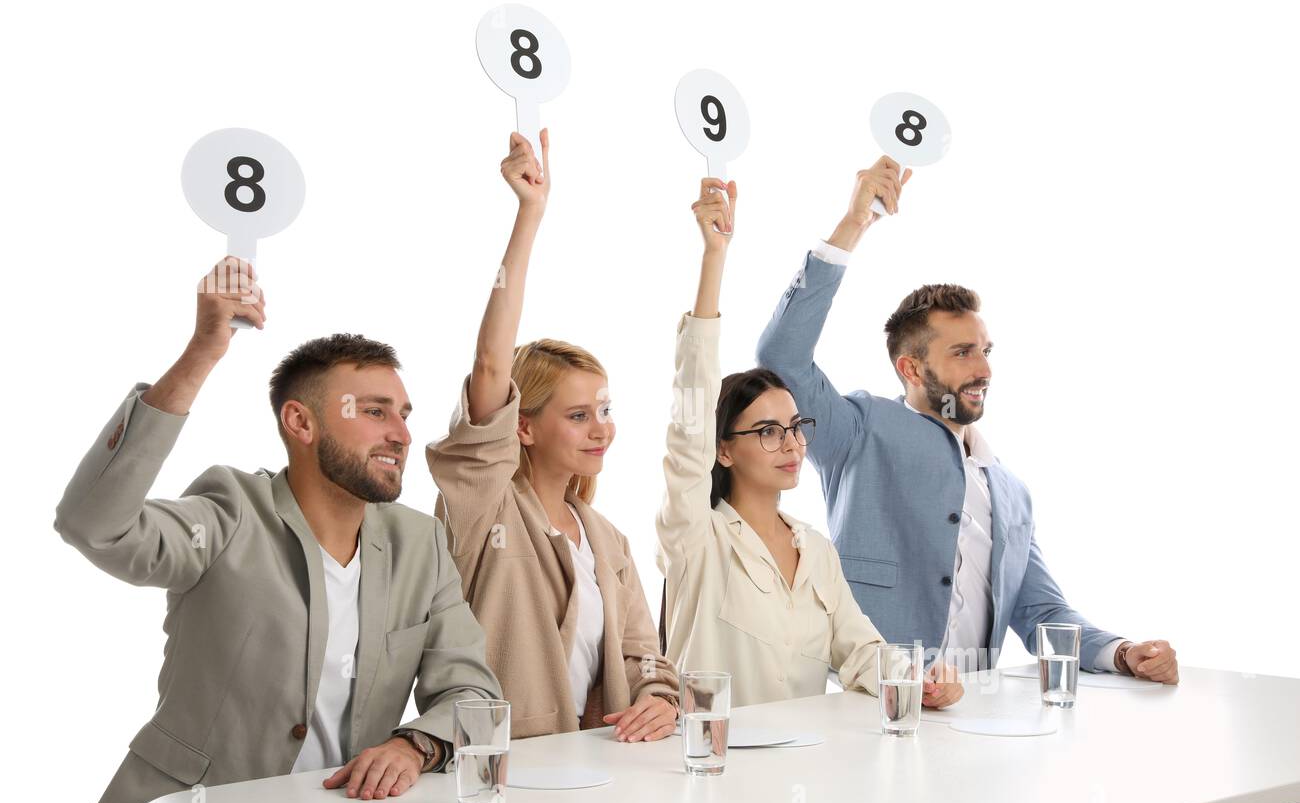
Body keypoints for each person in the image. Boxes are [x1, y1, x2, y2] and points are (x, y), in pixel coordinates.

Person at [54, 259, 501, 803]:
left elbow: (473, 692)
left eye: (403, 414)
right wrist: (201, 354)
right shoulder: (230, 511)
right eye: (373, 411)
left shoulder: (420, 542)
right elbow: (94, 525)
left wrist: (413, 745)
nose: (401, 432)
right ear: (300, 422)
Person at [755, 158, 1179, 683]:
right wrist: (853, 224)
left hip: (971, 727)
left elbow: (1042, 614)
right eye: (962, 353)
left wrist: (1122, 652)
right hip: (869, 710)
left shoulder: (1010, 490)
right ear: (910, 367)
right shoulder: (858, 432)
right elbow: (782, 356)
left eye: (985, 350)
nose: (983, 369)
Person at [658, 178, 963, 710]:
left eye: (796, 427)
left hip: (799, 769)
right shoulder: (696, 536)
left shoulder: (815, 550)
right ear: (723, 449)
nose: (791, 444)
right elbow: (689, 420)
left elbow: (860, 651)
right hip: (710, 769)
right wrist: (714, 258)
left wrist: (919, 680)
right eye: (767, 431)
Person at [427, 130, 680, 741]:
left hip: (591, 777)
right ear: (522, 426)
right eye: (577, 415)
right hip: (491, 777)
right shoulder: (483, 506)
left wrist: (658, 698)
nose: (602, 429)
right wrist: (529, 215)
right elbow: (490, 367)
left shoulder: (607, 542)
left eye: (605, 409)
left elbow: (645, 658)